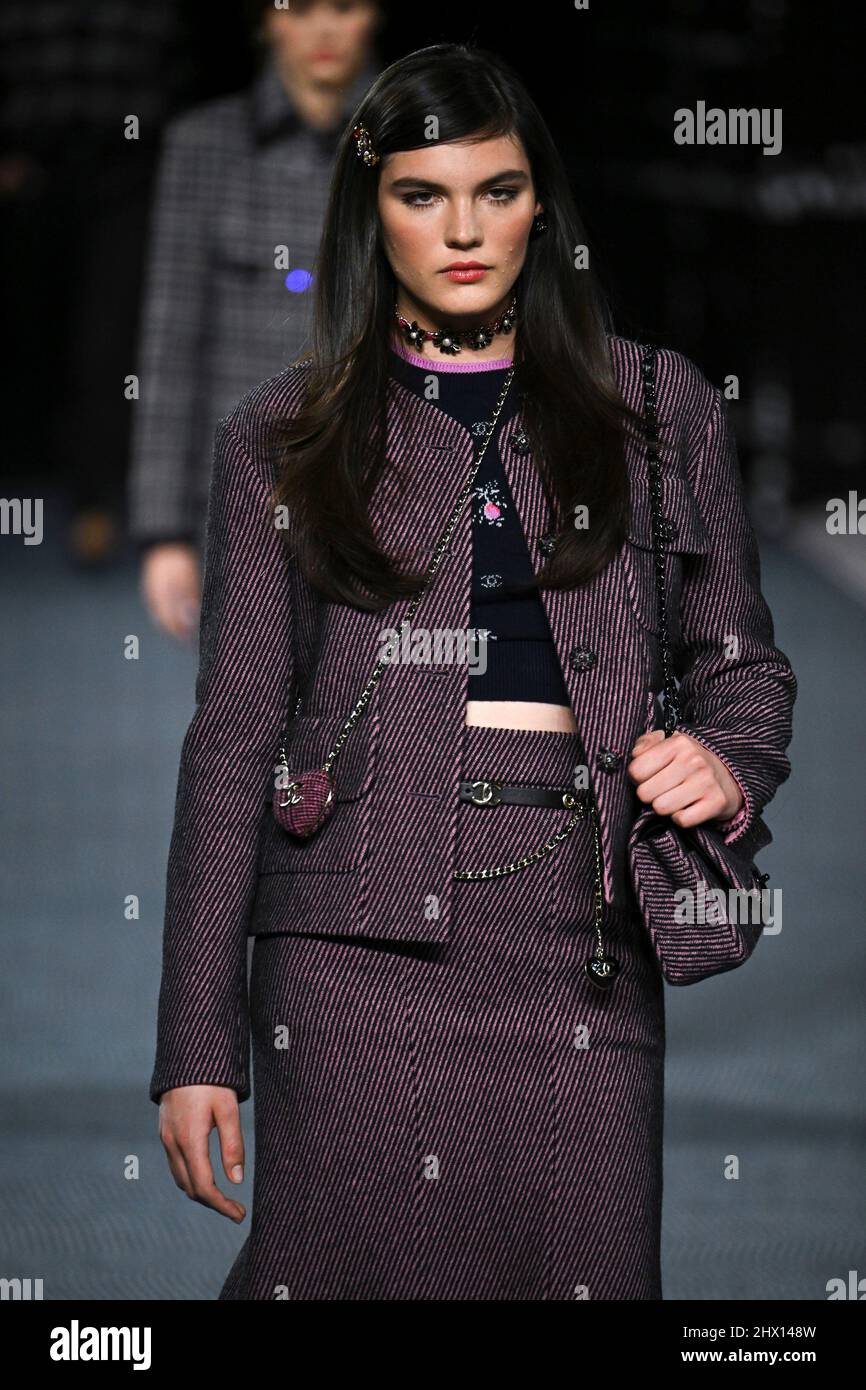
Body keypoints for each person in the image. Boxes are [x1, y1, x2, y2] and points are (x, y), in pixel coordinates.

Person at [149, 42, 797, 1301]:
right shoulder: (280, 436)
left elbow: (741, 667)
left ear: (539, 205)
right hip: (349, 941)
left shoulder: (659, 411)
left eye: (495, 192)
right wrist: (194, 1043)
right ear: (367, 208)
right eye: (420, 194)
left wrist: (723, 762)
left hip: (580, 929)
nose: (463, 230)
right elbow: (233, 741)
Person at [129, 0, 383, 637]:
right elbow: (170, 336)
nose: (323, 28)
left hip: (384, 487)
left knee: (385, 728)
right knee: (245, 724)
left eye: (344, 7)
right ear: (265, 20)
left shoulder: (414, 140)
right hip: (241, 498)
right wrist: (164, 532)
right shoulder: (202, 146)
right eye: (298, 8)